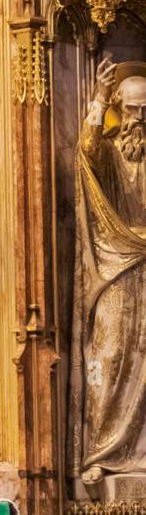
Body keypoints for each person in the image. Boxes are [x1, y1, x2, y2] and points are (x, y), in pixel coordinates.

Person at [71, 60, 146, 490]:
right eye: (132, 110)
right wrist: (98, 99)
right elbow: (86, 149)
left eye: (145, 110)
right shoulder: (110, 152)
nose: (139, 119)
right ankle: (103, 450)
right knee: (111, 353)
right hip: (116, 266)